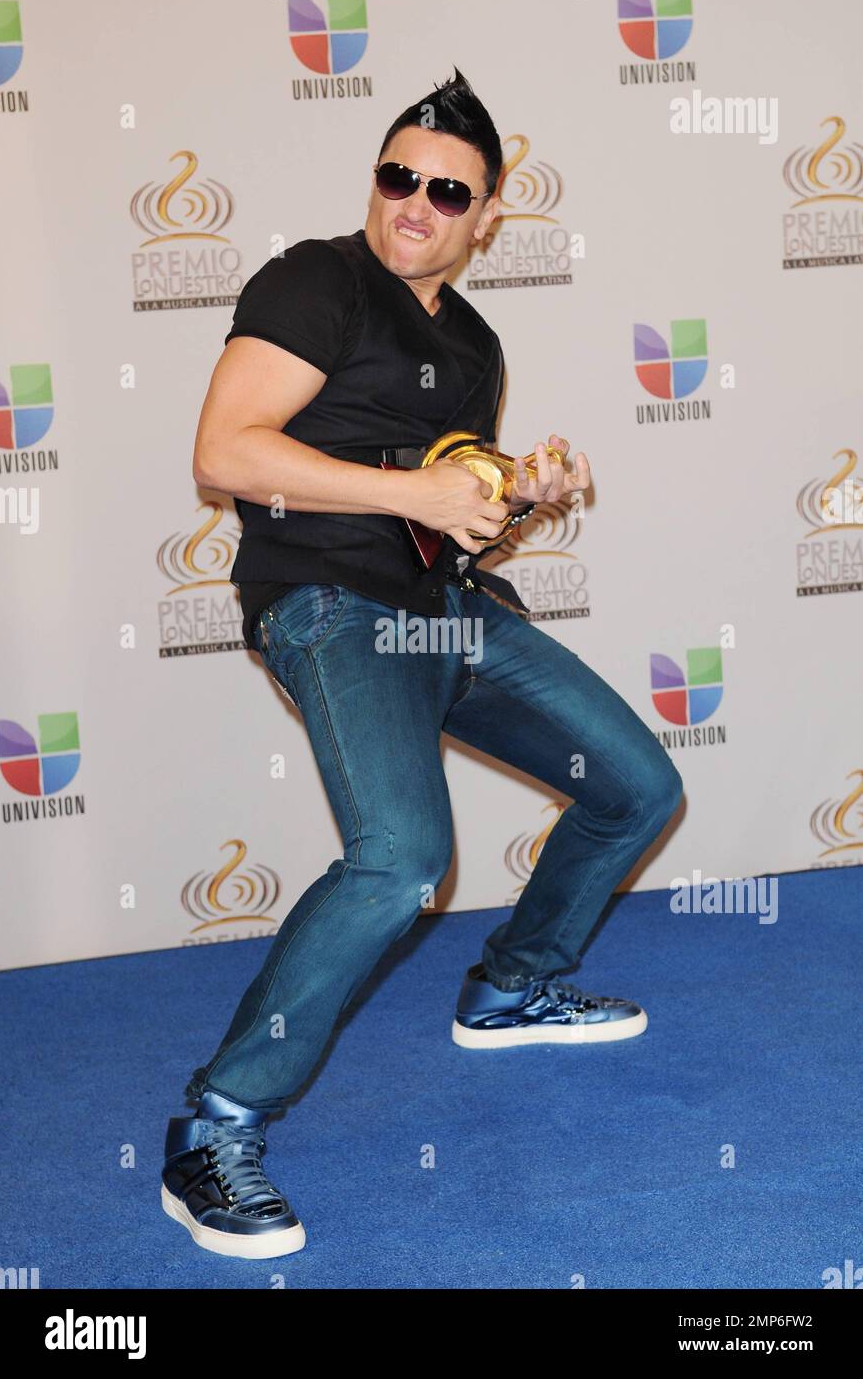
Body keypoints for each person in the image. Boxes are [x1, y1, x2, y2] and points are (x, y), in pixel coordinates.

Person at [160, 68, 684, 1261]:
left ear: (487, 214)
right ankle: (215, 1124)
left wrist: (519, 499)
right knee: (402, 864)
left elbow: (448, 519)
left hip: (441, 610)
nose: (414, 203)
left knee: (637, 787)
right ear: (375, 181)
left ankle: (511, 986)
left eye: (446, 189)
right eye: (397, 175)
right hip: (327, 610)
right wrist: (420, 490)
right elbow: (226, 450)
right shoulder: (315, 280)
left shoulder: (479, 342)